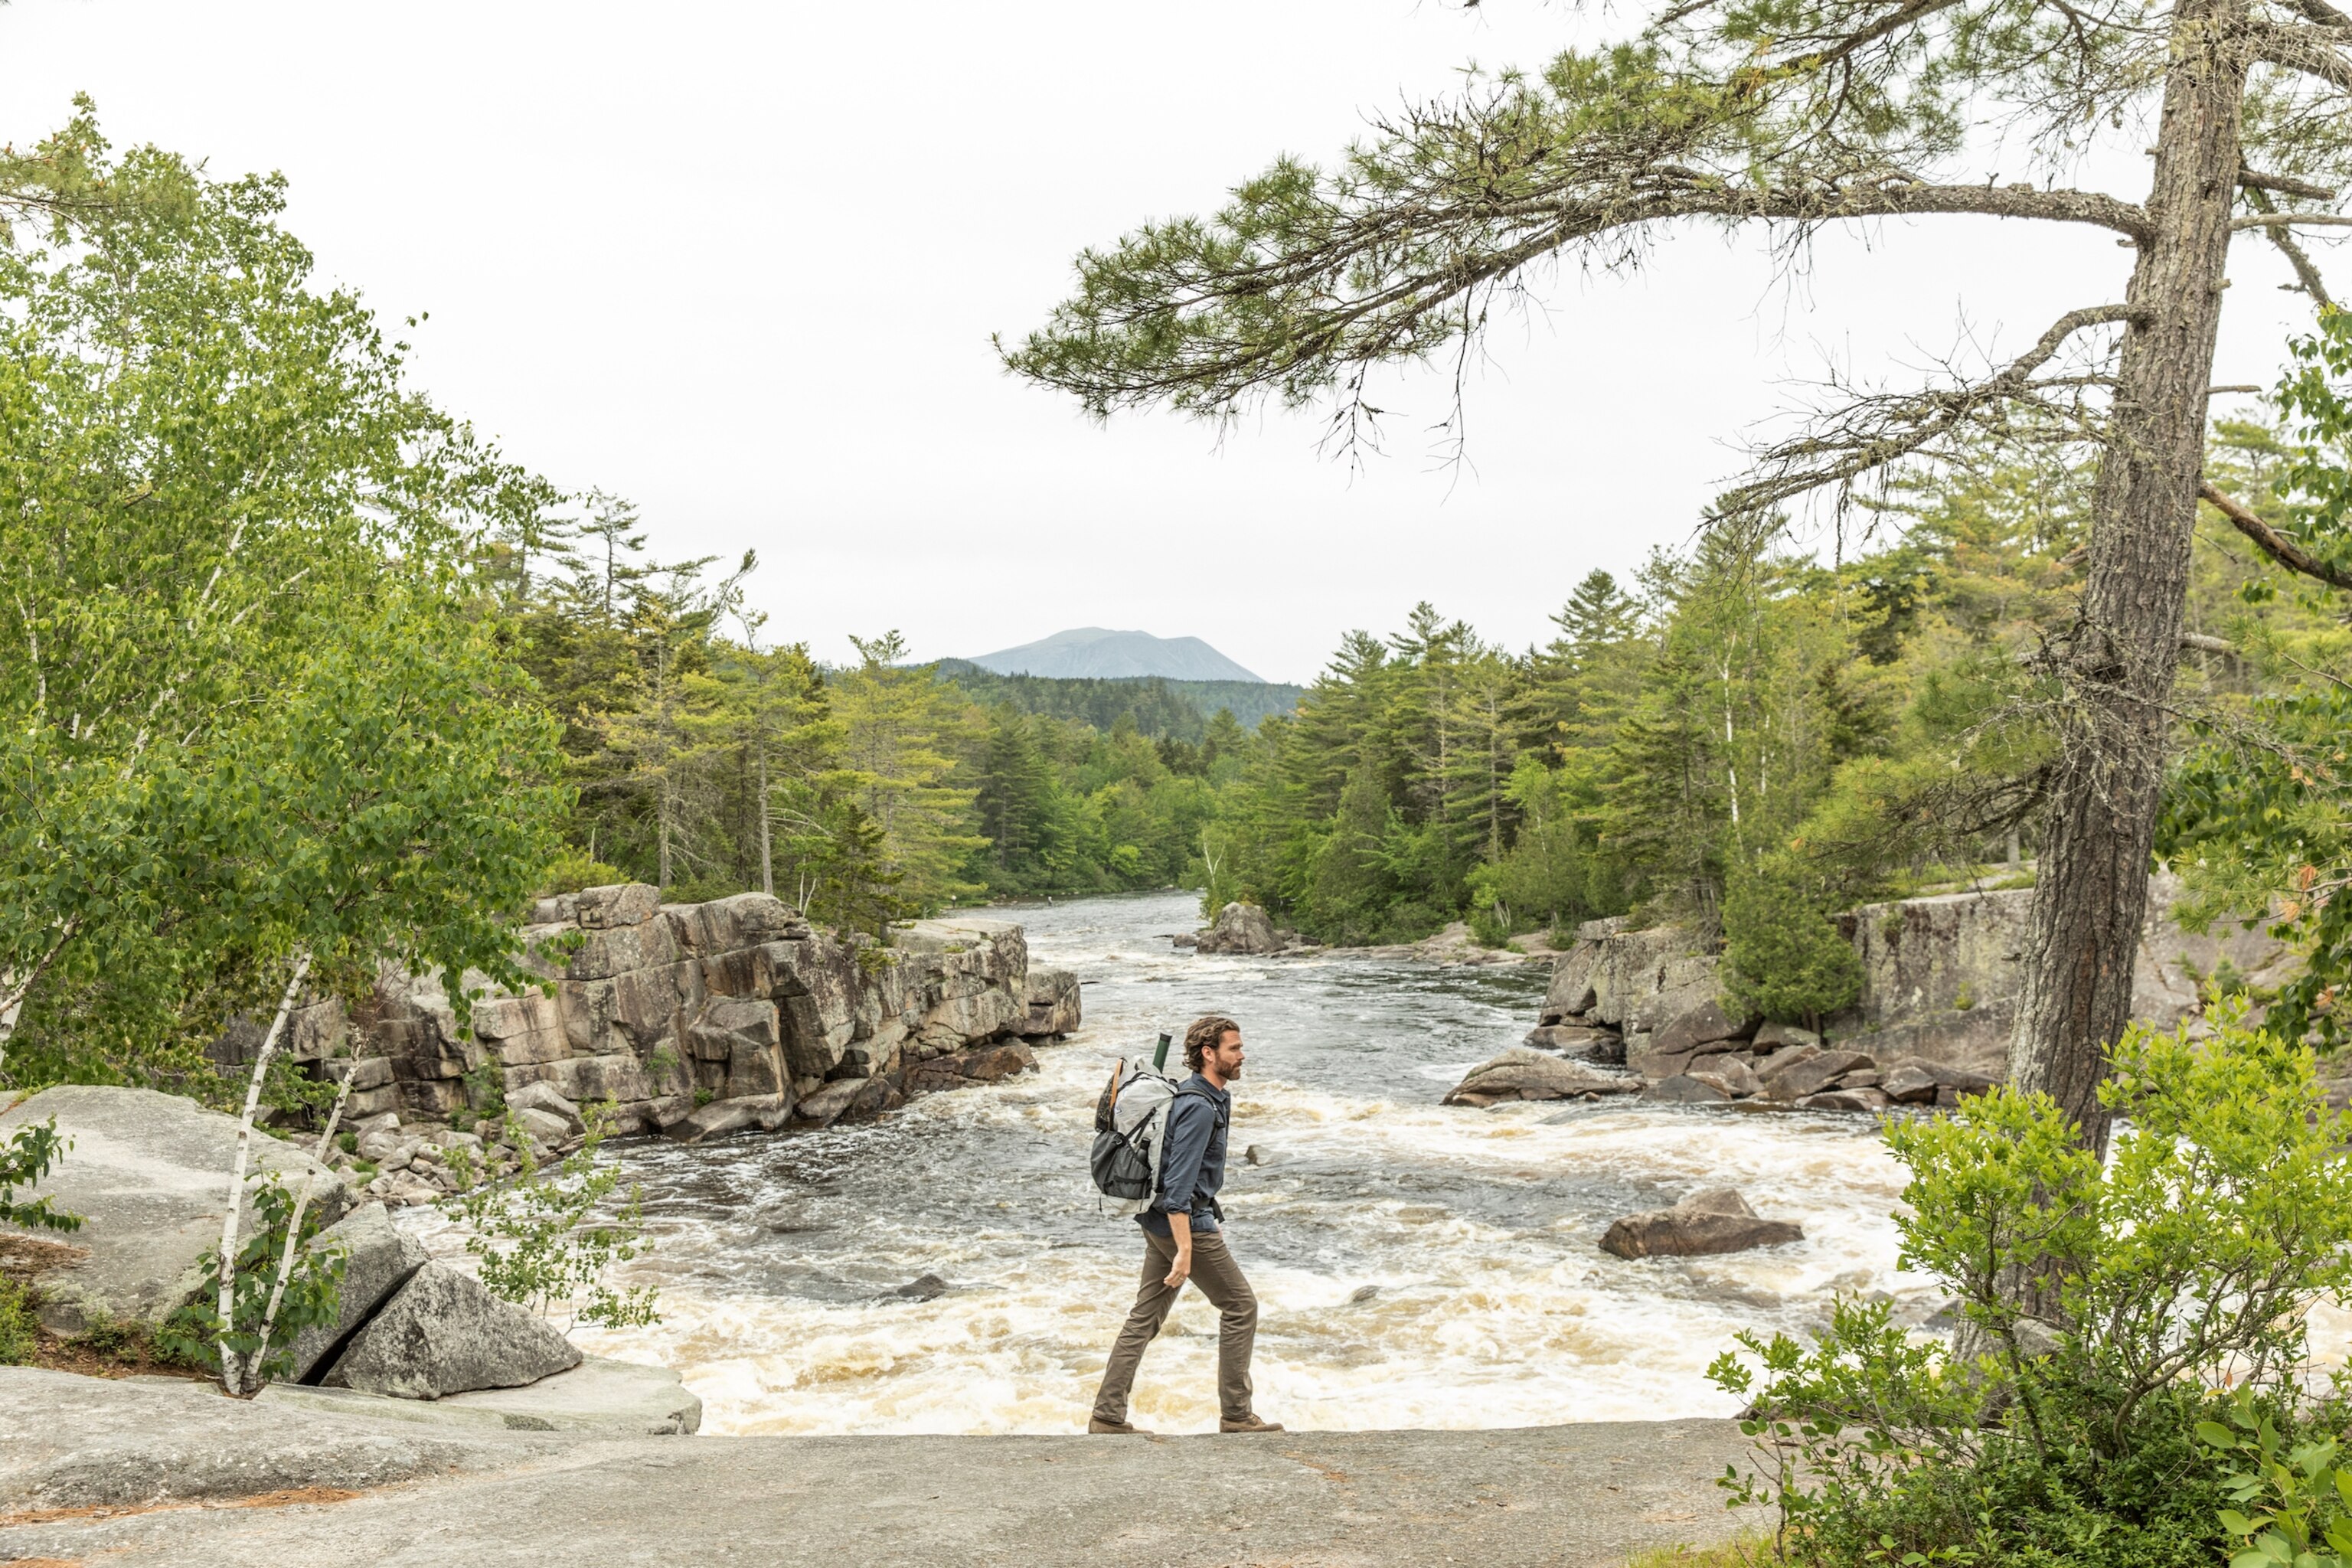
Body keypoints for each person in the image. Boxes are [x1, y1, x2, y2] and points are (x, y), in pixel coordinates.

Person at [1088, 1014, 1283, 1435]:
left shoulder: (1209, 1096)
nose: (1242, 1055)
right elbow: (1178, 1188)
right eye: (1234, 1048)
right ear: (1208, 1054)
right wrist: (1187, 1249)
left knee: (1144, 1317)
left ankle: (1106, 1416)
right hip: (1181, 1224)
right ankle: (1236, 1414)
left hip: (1158, 1220)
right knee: (1240, 1307)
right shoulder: (1197, 1105)